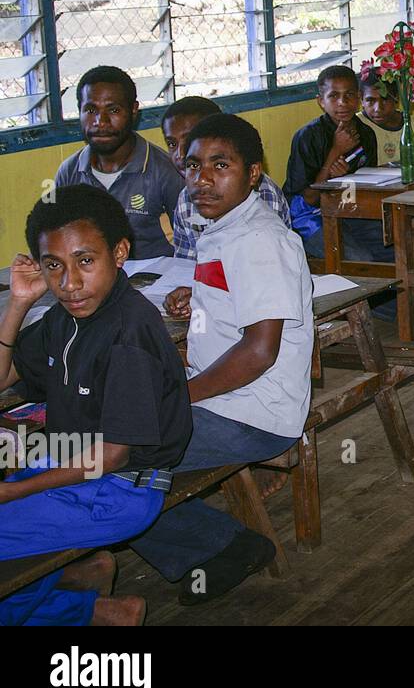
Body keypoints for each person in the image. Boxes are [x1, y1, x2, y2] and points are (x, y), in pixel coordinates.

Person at [130, 114, 313, 605]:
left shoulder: (259, 239)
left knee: (108, 460)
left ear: (254, 173)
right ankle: (213, 544)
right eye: (192, 166)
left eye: (220, 165)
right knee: (111, 448)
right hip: (225, 399)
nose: (202, 179)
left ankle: (222, 545)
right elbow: (238, 299)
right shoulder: (224, 226)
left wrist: (178, 399)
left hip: (252, 414)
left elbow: (259, 351)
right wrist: (199, 296)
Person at [0, 185, 192, 625]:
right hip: (64, 462)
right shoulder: (64, 316)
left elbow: (111, 456)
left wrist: (13, 491)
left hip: (117, 491)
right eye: (54, 266)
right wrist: (19, 303)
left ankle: (85, 612)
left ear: (119, 252)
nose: (69, 284)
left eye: (85, 261)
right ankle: (92, 589)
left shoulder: (128, 332)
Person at [54, 66, 183, 259]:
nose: (101, 121)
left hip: (155, 284)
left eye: (113, 110)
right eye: (90, 110)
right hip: (91, 282)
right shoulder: (69, 172)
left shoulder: (164, 171)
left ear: (133, 110)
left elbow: (190, 245)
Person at [282, 65, 391, 264]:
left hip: (349, 210)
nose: (343, 102)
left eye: (349, 94)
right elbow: (310, 198)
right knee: (360, 259)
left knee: (393, 249)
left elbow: (366, 185)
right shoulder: (308, 136)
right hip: (309, 217)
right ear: (321, 102)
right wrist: (335, 153)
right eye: (333, 96)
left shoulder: (366, 134)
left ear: (358, 98)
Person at [160, 96, 292, 260]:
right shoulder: (187, 197)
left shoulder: (263, 195)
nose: (180, 155)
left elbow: (267, 265)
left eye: (190, 141)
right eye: (172, 144)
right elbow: (185, 263)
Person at [358, 67, 406, 164]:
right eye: (370, 101)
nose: (378, 108)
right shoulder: (356, 125)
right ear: (361, 100)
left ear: (396, 98)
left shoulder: (409, 124)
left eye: (385, 99)